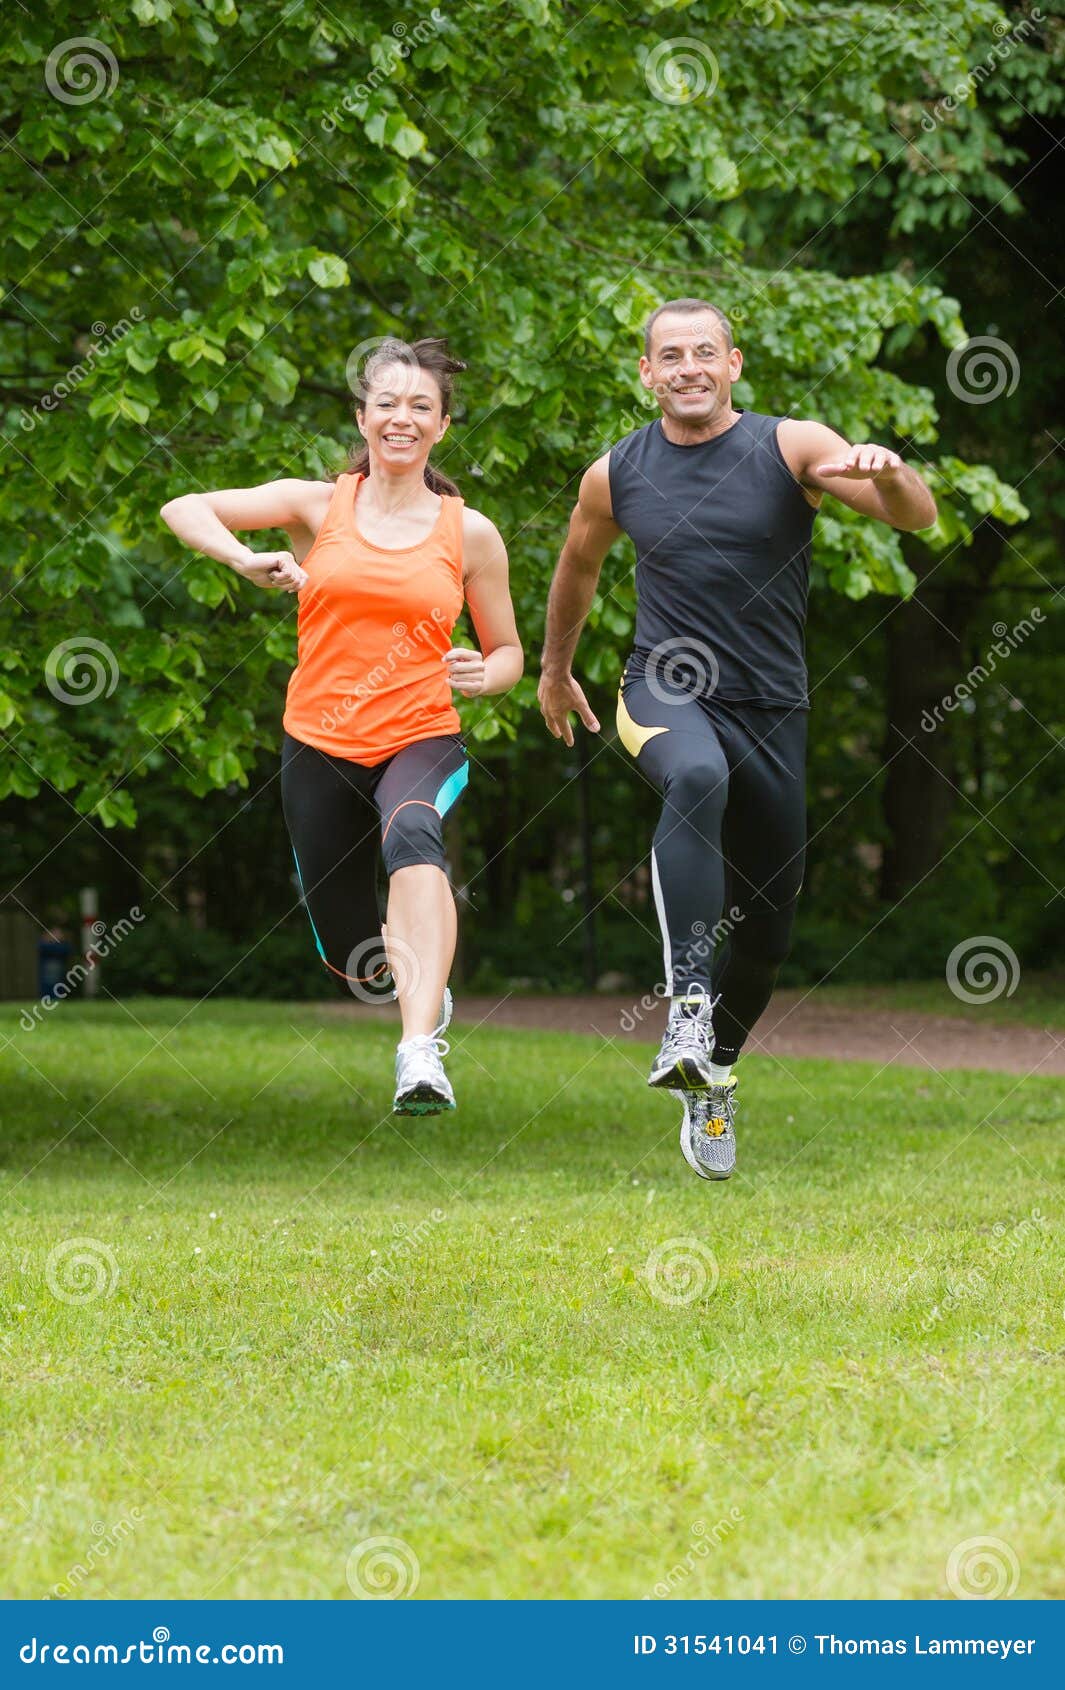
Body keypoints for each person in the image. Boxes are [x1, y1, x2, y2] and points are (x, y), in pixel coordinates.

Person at [538, 299, 936, 1181]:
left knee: (768, 933)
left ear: (733, 364)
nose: (687, 367)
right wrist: (553, 668)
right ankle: (684, 1005)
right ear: (645, 372)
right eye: (669, 355)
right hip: (661, 688)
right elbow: (578, 564)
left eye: (703, 353)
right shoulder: (616, 473)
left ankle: (710, 1071)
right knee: (694, 777)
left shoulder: (788, 446)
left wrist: (892, 469)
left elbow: (914, 519)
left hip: (772, 706)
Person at [161, 337, 522, 1116]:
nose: (402, 417)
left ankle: (419, 1050)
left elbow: (509, 654)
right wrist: (240, 559)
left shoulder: (472, 533)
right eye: (386, 403)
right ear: (362, 418)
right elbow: (183, 507)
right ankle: (401, 986)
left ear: (442, 427)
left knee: (414, 835)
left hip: (420, 730)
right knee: (355, 956)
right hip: (319, 740)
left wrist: (481, 675)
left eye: (420, 406)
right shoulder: (315, 505)